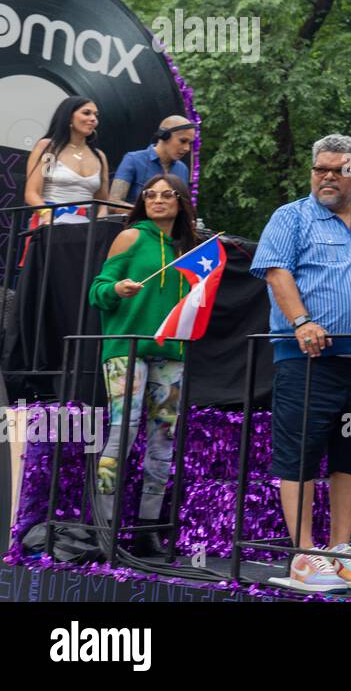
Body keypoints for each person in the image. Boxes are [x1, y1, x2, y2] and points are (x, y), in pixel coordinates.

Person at [250, 134, 351, 594]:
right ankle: (304, 555)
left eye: (339, 169)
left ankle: (339, 551)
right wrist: (302, 321)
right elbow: (277, 272)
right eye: (321, 169)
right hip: (310, 360)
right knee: (301, 455)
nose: (328, 177)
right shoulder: (291, 217)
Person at [87, 174, 198, 555]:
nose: (158, 200)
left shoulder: (188, 248)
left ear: (182, 201)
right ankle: (106, 528)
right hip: (126, 348)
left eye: (168, 194)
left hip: (170, 352)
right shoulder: (132, 236)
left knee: (163, 440)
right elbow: (96, 290)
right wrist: (116, 289)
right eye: (151, 194)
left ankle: (147, 527)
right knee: (124, 433)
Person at [24, 96, 112, 217]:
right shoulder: (50, 149)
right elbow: (32, 193)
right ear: (69, 116)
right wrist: (47, 215)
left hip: (86, 226)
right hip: (50, 221)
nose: (93, 119)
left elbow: (102, 201)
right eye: (87, 113)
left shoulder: (99, 156)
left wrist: (100, 220)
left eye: (96, 115)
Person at [109, 116, 195, 205]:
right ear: (164, 135)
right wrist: (147, 213)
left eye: (190, 143)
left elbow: (184, 206)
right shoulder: (133, 160)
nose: (187, 148)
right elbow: (113, 203)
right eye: (183, 141)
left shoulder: (183, 169)